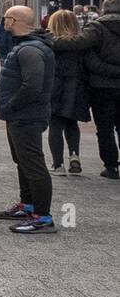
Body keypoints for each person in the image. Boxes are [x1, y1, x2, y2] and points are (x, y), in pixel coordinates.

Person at [0, 5, 57, 234]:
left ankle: (42, 216)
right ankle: (28, 205)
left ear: (13, 21)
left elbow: (32, 86)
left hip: (26, 116)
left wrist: (12, 105)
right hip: (19, 116)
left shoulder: (31, 50)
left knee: (33, 164)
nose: (3, 23)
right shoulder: (25, 46)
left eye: (5, 19)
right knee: (22, 161)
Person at [48, 0, 120, 180]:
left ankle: (111, 167)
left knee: (105, 128)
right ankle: (75, 156)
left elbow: (80, 46)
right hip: (92, 85)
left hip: (101, 86)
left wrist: (47, 40)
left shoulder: (97, 28)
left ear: (104, 9)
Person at [46, 9, 90, 175]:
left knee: (55, 125)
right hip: (77, 87)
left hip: (55, 86)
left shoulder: (49, 43)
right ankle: (74, 155)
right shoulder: (82, 44)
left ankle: (58, 165)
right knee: (72, 124)